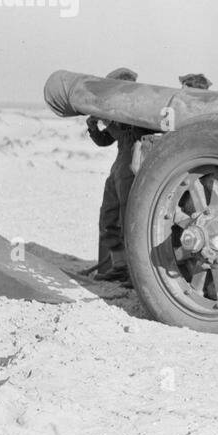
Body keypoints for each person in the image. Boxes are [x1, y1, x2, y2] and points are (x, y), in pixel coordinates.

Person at [84, 67, 142, 284]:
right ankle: (119, 266)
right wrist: (94, 127)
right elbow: (104, 141)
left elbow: (135, 135)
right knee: (108, 216)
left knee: (128, 218)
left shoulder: (138, 110)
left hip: (132, 168)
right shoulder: (116, 112)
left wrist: (109, 120)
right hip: (118, 169)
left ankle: (135, 271)